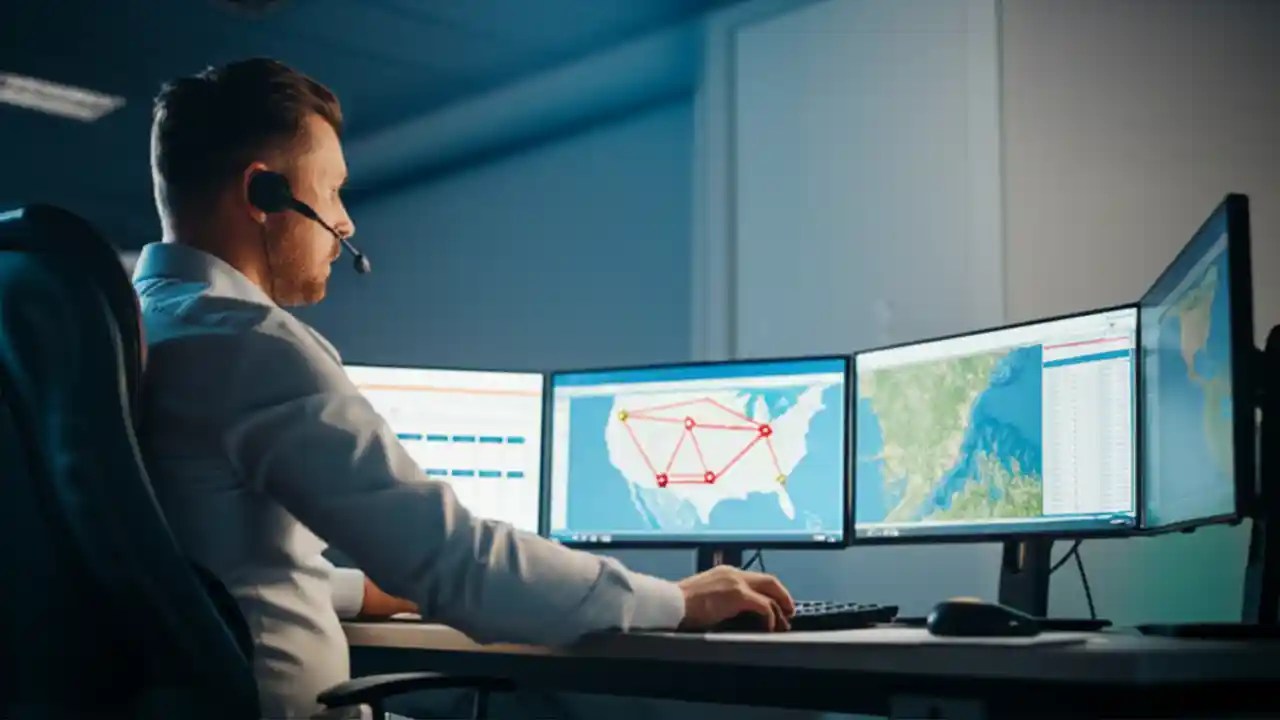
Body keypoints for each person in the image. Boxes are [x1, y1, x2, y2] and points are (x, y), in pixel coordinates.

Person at [132, 57, 797, 719]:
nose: (346, 221)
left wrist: (358, 591)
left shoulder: (137, 328)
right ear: (264, 194)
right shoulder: (250, 344)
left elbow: (197, 572)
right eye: (333, 190)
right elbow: (459, 564)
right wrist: (676, 601)